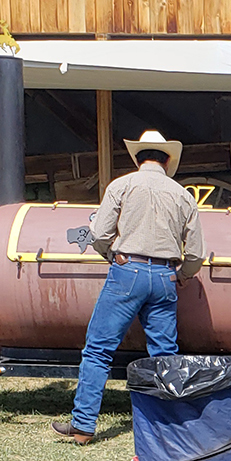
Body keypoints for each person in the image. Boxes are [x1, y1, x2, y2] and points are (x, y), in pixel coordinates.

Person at [52, 130, 205, 444]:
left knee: (98, 350)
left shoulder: (121, 185)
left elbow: (98, 234)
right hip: (165, 275)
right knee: (164, 354)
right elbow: (196, 253)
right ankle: (169, 428)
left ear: (138, 158)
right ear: (167, 160)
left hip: (127, 270)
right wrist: (181, 275)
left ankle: (82, 426)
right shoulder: (183, 195)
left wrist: (111, 254)